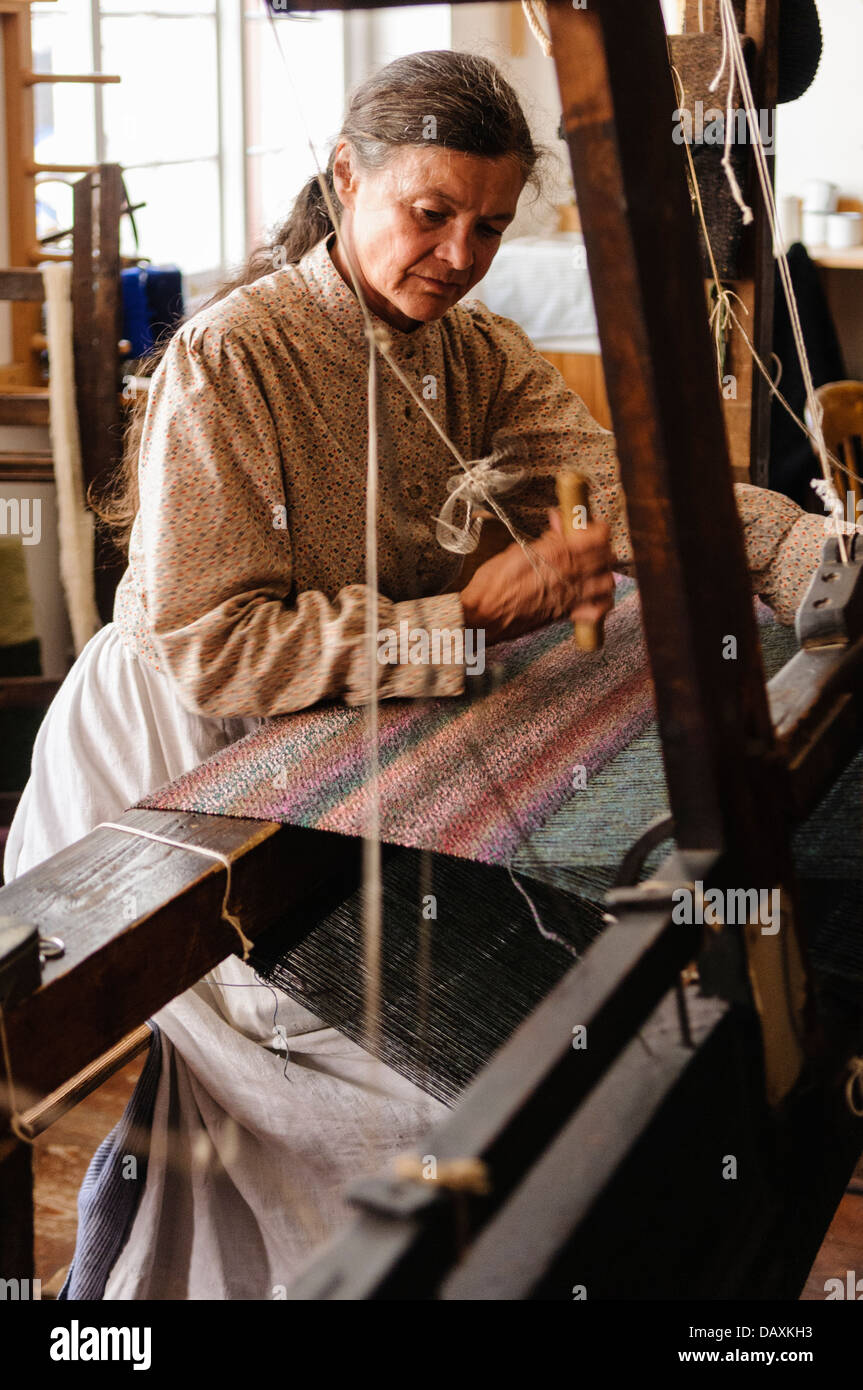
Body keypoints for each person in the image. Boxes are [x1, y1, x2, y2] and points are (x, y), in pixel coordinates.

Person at [3, 49, 827, 1299]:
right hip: (181, 758)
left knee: (504, 1044)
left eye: (489, 225)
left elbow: (615, 476)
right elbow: (216, 644)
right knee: (380, 1079)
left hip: (343, 739)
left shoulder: (472, 353)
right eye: (428, 213)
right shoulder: (231, 362)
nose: (458, 252)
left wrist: (796, 552)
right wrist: (456, 619)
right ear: (347, 181)